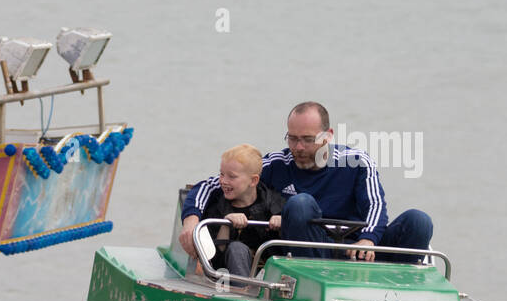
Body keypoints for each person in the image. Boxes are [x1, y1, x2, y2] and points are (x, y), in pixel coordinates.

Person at [179, 102, 432, 263]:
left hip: (356, 252)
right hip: (309, 258)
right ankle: (320, 285)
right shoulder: (277, 163)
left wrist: (368, 240)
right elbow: (211, 184)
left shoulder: (357, 162)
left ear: (328, 136)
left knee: (419, 221)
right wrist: (191, 220)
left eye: (308, 140)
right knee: (300, 204)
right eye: (293, 138)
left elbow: (376, 207)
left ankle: (397, 293)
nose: (298, 148)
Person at [190, 143, 286, 282]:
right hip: (228, 276)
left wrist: (282, 221)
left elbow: (288, 244)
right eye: (221, 174)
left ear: (253, 181)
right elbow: (215, 258)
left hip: (268, 272)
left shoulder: (275, 202)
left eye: (232, 177)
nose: (223, 181)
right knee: (237, 248)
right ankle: (243, 291)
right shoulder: (217, 208)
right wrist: (226, 224)